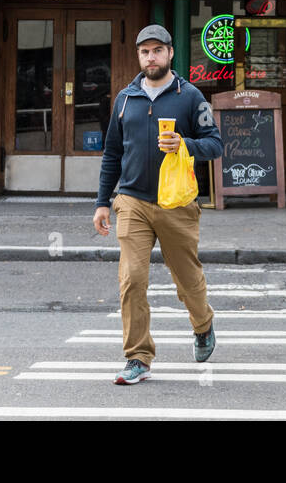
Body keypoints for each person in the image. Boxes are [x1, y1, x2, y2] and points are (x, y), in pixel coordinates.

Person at [93, 24, 223, 384]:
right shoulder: (125, 99)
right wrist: (103, 202)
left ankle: (203, 324)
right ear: (139, 57)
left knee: (188, 280)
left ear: (170, 53)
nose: (151, 58)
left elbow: (214, 144)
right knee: (132, 279)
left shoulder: (190, 96)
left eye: (157, 51)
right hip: (132, 200)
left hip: (177, 203)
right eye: (144, 52)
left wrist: (185, 144)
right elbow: (112, 154)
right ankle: (138, 357)